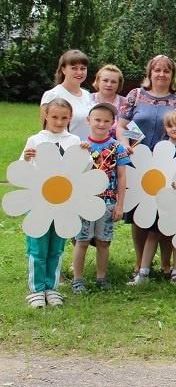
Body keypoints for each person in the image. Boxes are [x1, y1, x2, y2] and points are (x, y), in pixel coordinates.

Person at [119, 54, 176, 280]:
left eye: (166, 71)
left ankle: (166, 264)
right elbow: (122, 124)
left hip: (169, 163)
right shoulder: (135, 95)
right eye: (157, 70)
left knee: (165, 212)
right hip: (140, 161)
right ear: (150, 72)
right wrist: (125, 144)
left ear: (172, 75)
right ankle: (139, 263)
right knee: (138, 214)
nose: (161, 74)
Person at [21, 98, 82, 308]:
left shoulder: (74, 140)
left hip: (63, 203)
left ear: (70, 118)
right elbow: (21, 171)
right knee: (38, 246)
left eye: (64, 118)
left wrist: (85, 154)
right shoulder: (35, 140)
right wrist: (27, 159)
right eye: (54, 117)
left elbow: (83, 168)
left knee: (56, 246)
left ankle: (51, 287)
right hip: (39, 202)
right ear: (45, 116)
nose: (59, 121)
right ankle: (37, 289)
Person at [129, 110, 176, 286]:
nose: (174, 128)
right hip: (160, 199)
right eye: (170, 125)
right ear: (165, 128)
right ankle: (143, 273)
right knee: (153, 233)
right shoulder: (160, 147)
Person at [70, 102, 132, 294]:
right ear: (89, 121)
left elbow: (122, 177)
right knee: (82, 241)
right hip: (84, 202)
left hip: (108, 203)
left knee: (104, 242)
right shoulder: (80, 146)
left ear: (113, 124)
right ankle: (78, 279)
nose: (101, 124)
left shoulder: (117, 148)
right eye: (97, 120)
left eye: (106, 121)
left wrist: (120, 205)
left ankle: (101, 277)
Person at [41, 49, 94, 140]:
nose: (79, 72)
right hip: (65, 151)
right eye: (74, 68)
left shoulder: (87, 95)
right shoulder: (53, 95)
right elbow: (47, 131)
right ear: (63, 69)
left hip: (87, 150)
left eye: (83, 68)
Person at [91, 65, 125, 138]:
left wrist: (121, 135)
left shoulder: (126, 104)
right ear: (98, 81)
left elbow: (136, 135)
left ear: (119, 84)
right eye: (105, 80)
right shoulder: (86, 99)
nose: (109, 84)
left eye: (113, 82)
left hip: (115, 148)